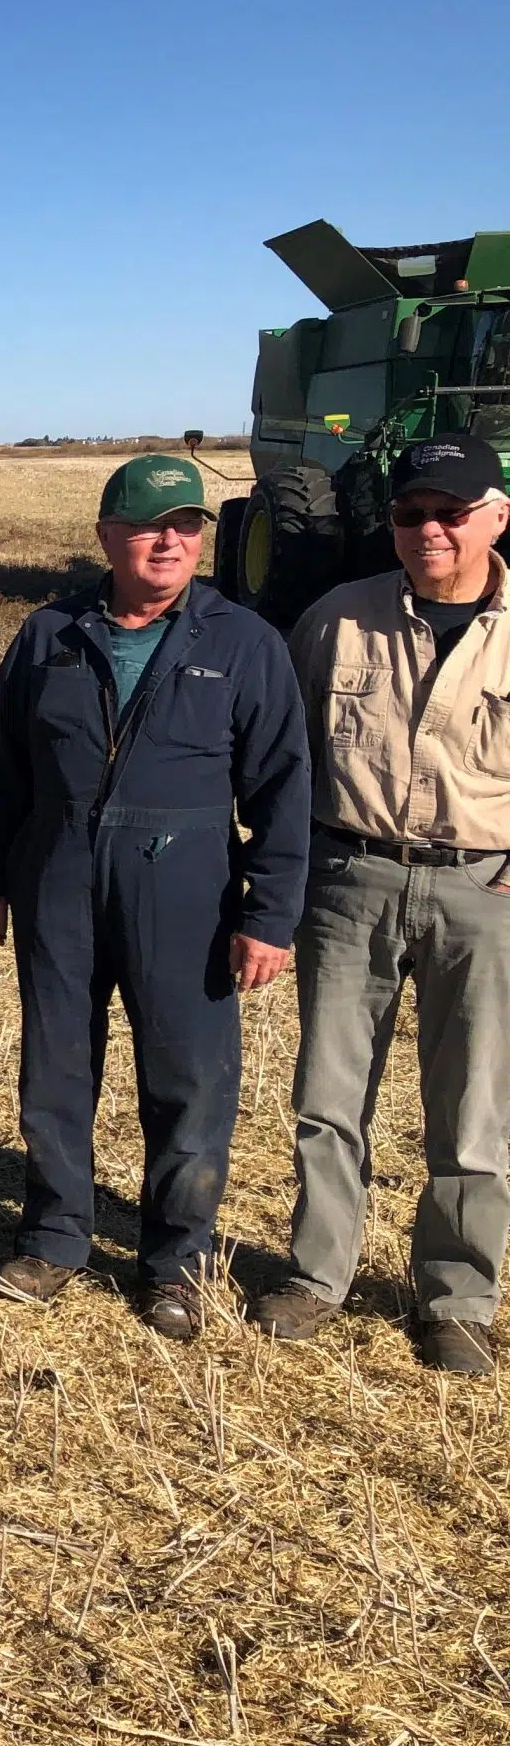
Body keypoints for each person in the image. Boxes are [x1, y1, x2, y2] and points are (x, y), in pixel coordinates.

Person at [0, 456, 309, 1338]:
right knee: (56, 1068)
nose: (170, 542)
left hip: (185, 882)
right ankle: (53, 1238)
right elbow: (1, 763)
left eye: (186, 526)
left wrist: (269, 916)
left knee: (188, 1078)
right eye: (150, 526)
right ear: (107, 536)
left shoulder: (243, 641)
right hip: (58, 873)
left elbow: (281, 789)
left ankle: (176, 1263)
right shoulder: (50, 633)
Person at [256, 434, 510, 1377]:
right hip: (350, 880)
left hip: (484, 890)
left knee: (474, 1109)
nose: (430, 530)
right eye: (411, 513)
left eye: (452, 512)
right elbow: (284, 756)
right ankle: (316, 1276)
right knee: (329, 1097)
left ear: (497, 516)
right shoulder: (336, 619)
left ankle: (457, 1299)